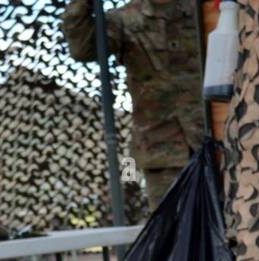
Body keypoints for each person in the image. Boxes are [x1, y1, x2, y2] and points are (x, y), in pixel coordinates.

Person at [62, 0, 207, 209]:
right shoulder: (124, 19)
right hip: (162, 150)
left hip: (219, 141)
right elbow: (83, 49)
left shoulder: (204, 10)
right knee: (174, 231)